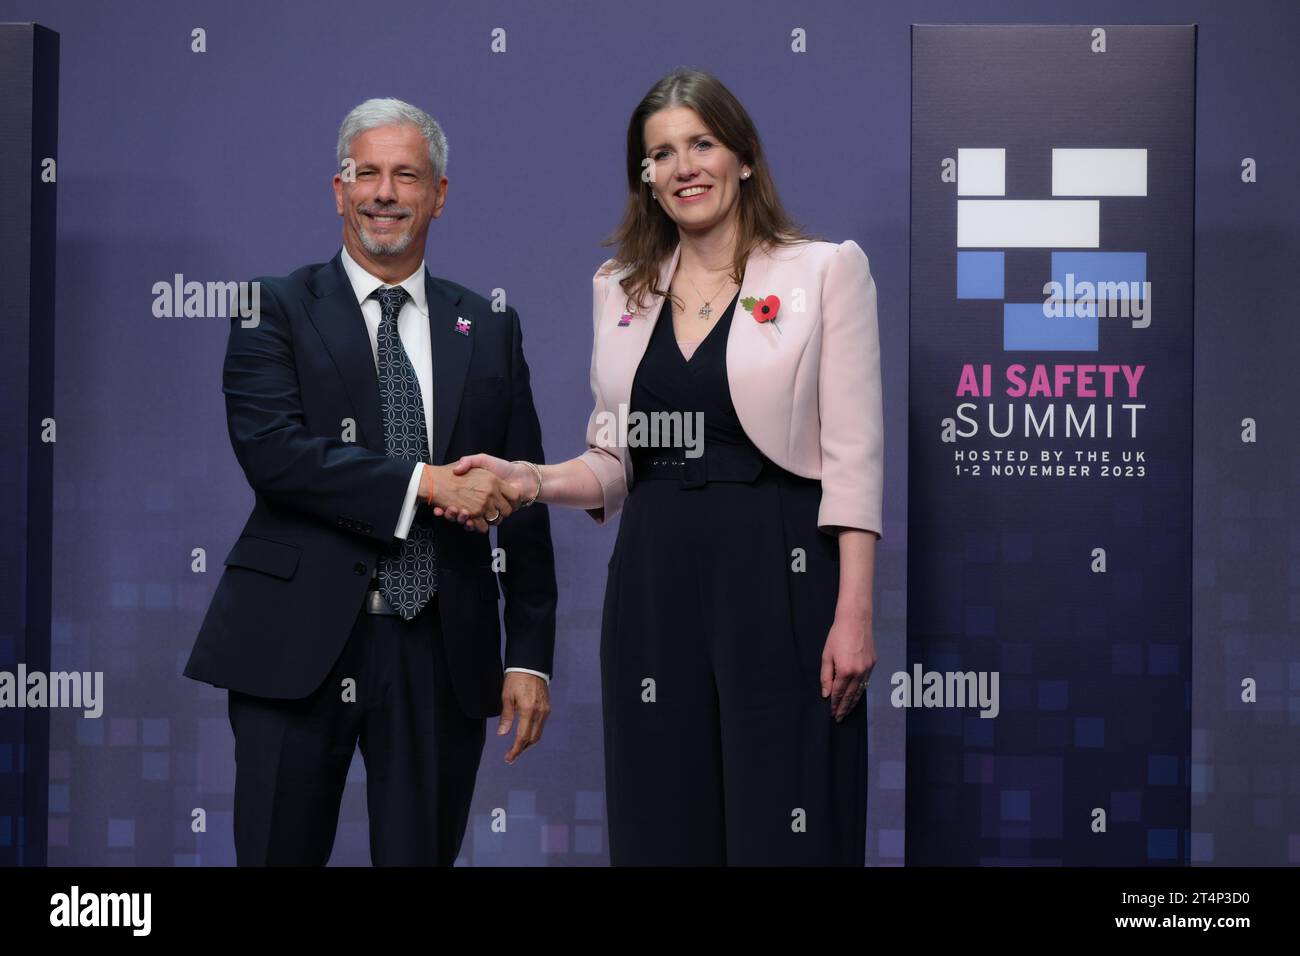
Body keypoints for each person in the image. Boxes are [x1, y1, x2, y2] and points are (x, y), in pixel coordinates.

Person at [446, 69, 883, 865]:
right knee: (661, 818)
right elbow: (615, 458)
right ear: (644, 179)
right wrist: (530, 480)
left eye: (702, 144)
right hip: (654, 576)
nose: (684, 167)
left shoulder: (824, 271)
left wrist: (853, 612)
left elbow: (854, 456)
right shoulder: (620, 288)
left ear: (743, 156)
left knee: (787, 814)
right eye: (660, 155)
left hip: (781, 568)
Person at [184, 98, 557, 866]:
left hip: (438, 649)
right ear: (338, 189)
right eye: (367, 173)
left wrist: (527, 654)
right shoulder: (271, 308)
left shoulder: (488, 326)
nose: (384, 191)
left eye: (406, 175)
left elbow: (522, 494)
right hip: (293, 642)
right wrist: (425, 483)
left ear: (439, 194)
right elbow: (275, 454)